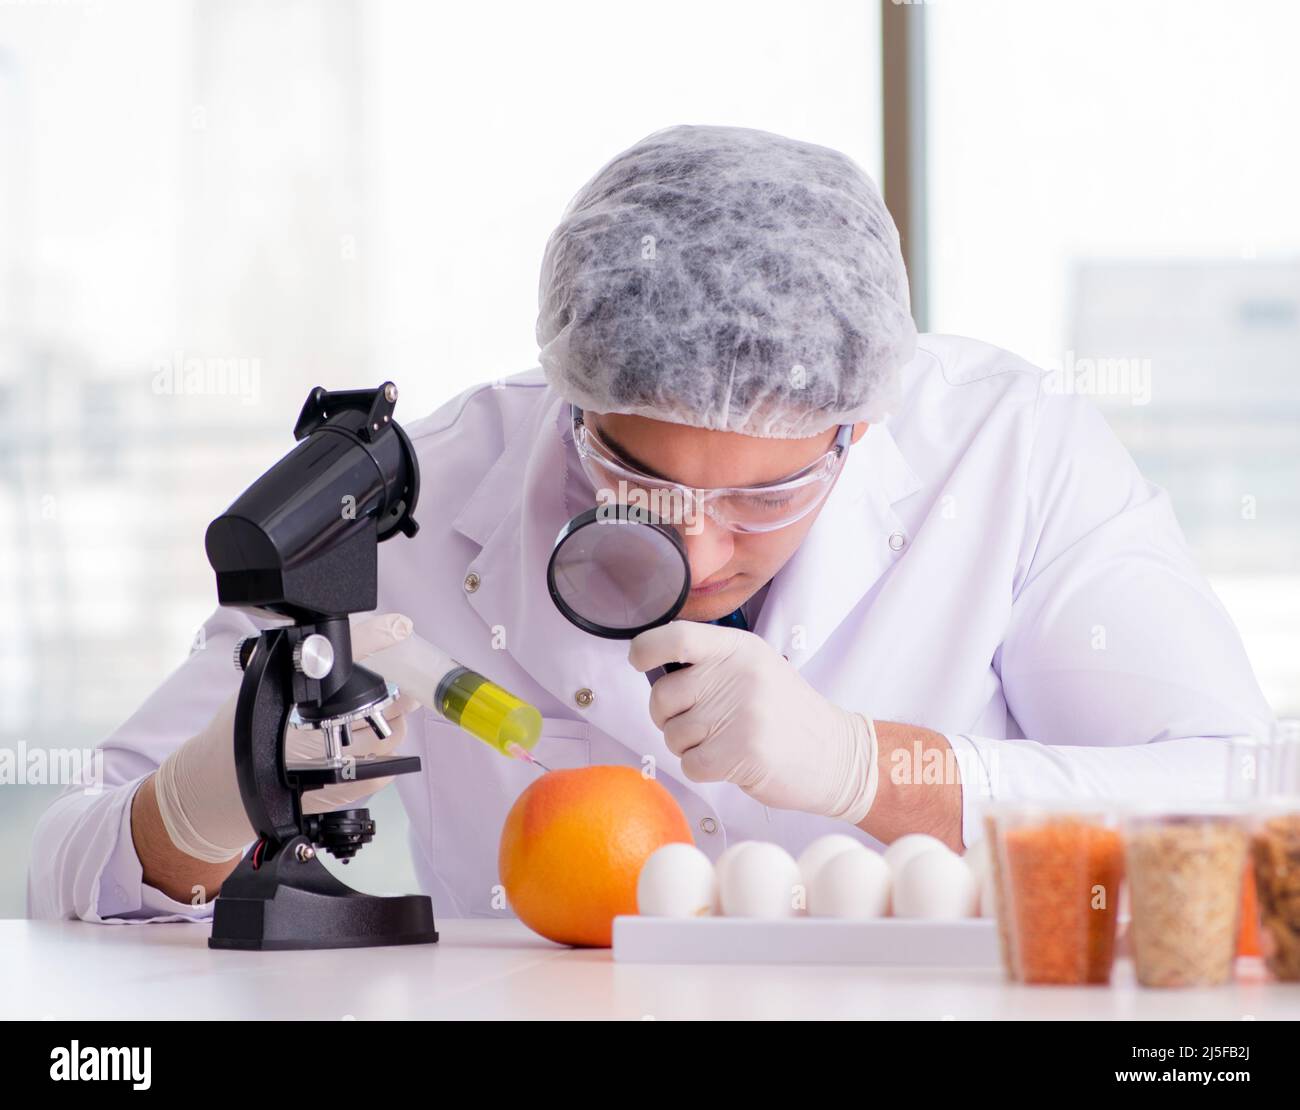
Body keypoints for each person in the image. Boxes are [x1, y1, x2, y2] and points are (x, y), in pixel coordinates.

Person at [29, 124, 1271, 923]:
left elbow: (1244, 804)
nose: (702, 551)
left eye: (766, 494)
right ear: (572, 405)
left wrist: (870, 767)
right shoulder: (413, 493)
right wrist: (222, 792)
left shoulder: (1008, 450)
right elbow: (64, 876)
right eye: (636, 481)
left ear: (859, 427)